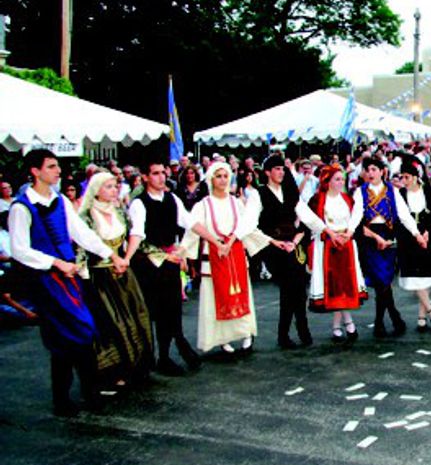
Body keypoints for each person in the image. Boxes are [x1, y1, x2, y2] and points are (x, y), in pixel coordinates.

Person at [9, 149, 128, 416]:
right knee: (67, 335)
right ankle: (68, 397)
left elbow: (81, 233)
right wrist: (55, 263)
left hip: (69, 276)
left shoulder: (60, 200)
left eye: (57, 166)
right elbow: (19, 249)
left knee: (81, 332)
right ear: (35, 171)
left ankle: (86, 393)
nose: (58, 171)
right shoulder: (21, 206)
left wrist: (111, 254)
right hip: (46, 280)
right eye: (51, 166)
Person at [179, 162, 264, 356]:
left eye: (226, 176)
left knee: (241, 294)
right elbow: (192, 230)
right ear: (211, 179)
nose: (223, 180)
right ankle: (222, 338)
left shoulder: (237, 203)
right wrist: (183, 250)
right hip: (214, 258)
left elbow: (248, 227)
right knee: (214, 297)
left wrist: (271, 241)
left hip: (236, 258)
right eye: (218, 176)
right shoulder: (203, 205)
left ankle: (245, 333)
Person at [78, 172, 154, 388]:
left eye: (115, 186)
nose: (114, 190)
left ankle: (137, 367)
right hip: (100, 276)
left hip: (123, 272)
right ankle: (113, 372)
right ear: (97, 189)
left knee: (137, 317)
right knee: (111, 323)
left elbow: (136, 236)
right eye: (109, 186)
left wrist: (158, 255)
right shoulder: (86, 216)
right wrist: (81, 273)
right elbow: (82, 247)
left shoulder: (120, 211)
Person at [126, 160, 201, 376]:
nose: (161, 177)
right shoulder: (139, 204)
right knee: (153, 312)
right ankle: (150, 358)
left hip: (170, 263)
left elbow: (190, 223)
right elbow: (137, 235)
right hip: (149, 265)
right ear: (146, 177)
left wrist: (213, 240)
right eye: (155, 173)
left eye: (163, 172)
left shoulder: (172, 199)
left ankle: (167, 355)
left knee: (173, 309)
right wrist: (128, 258)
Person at [344, 156, 426, 338]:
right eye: (368, 170)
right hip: (370, 238)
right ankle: (387, 319)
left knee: (385, 281)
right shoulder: (360, 192)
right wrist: (349, 232)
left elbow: (404, 215)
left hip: (389, 237)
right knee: (381, 281)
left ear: (383, 171)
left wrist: (417, 234)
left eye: (374, 169)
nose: (370, 173)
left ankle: (390, 318)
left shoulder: (392, 191)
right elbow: (357, 215)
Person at [247, 154, 320, 349]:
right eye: (276, 169)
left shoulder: (290, 192)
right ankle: (286, 334)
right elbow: (250, 225)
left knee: (298, 288)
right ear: (267, 172)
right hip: (273, 247)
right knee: (289, 288)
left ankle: (299, 330)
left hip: (293, 245)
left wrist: (299, 238)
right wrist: (273, 242)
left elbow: (306, 217)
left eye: (282, 168)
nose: (280, 172)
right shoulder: (259, 194)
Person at [307, 165, 365, 342]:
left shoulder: (347, 199)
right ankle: (347, 322)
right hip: (327, 246)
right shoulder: (318, 199)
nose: (341, 182)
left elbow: (356, 217)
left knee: (343, 285)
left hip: (346, 244)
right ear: (327, 181)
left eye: (342, 179)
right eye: (337, 179)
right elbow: (313, 222)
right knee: (334, 285)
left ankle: (339, 325)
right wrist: (331, 235)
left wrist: (348, 233)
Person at [396, 157, 431, 332]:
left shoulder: (429, 192)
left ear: (415, 177)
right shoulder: (400, 195)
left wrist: (428, 231)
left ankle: (422, 316)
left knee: (425, 277)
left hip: (427, 236)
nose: (404, 181)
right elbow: (400, 218)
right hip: (408, 239)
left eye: (406, 177)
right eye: (402, 177)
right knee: (414, 280)